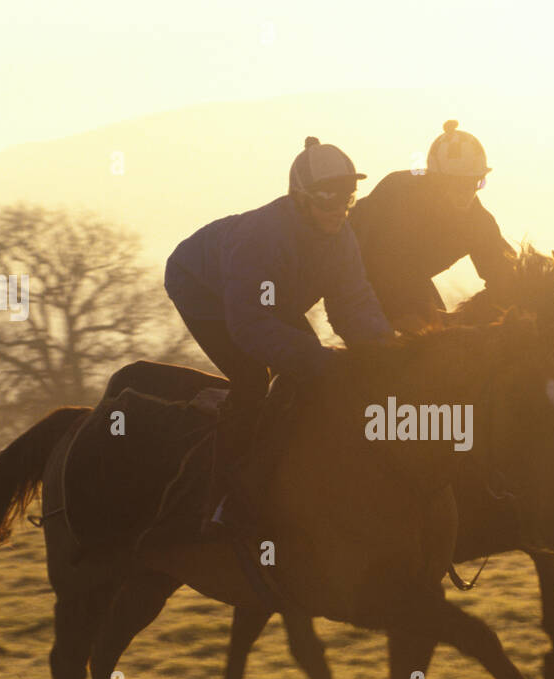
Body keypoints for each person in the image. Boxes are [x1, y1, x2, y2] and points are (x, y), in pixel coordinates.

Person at [164, 136, 394, 540]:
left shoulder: (342, 237)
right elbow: (249, 323)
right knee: (254, 382)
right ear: (300, 198)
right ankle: (221, 503)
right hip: (203, 287)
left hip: (268, 297)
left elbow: (353, 304)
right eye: (328, 198)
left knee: (315, 376)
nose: (339, 209)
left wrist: (388, 354)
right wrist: (319, 358)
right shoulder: (263, 238)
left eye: (348, 198)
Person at [348, 119, 518, 334]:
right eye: (457, 183)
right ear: (435, 180)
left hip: (410, 278)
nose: (466, 192)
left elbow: (503, 277)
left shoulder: (479, 222)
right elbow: (381, 268)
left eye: (475, 183)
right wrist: (414, 318)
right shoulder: (398, 194)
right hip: (352, 271)